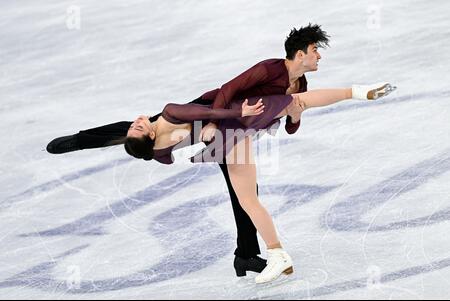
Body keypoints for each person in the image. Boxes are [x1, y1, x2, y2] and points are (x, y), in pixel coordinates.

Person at [46, 24, 394, 279]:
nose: (320, 55)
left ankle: (249, 256)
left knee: (245, 196)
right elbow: (223, 94)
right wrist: (224, 120)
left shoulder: (298, 82)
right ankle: (80, 139)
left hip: (229, 130)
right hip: (217, 119)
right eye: (316, 50)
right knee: (131, 136)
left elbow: (289, 124)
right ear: (300, 52)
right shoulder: (167, 118)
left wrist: (290, 116)